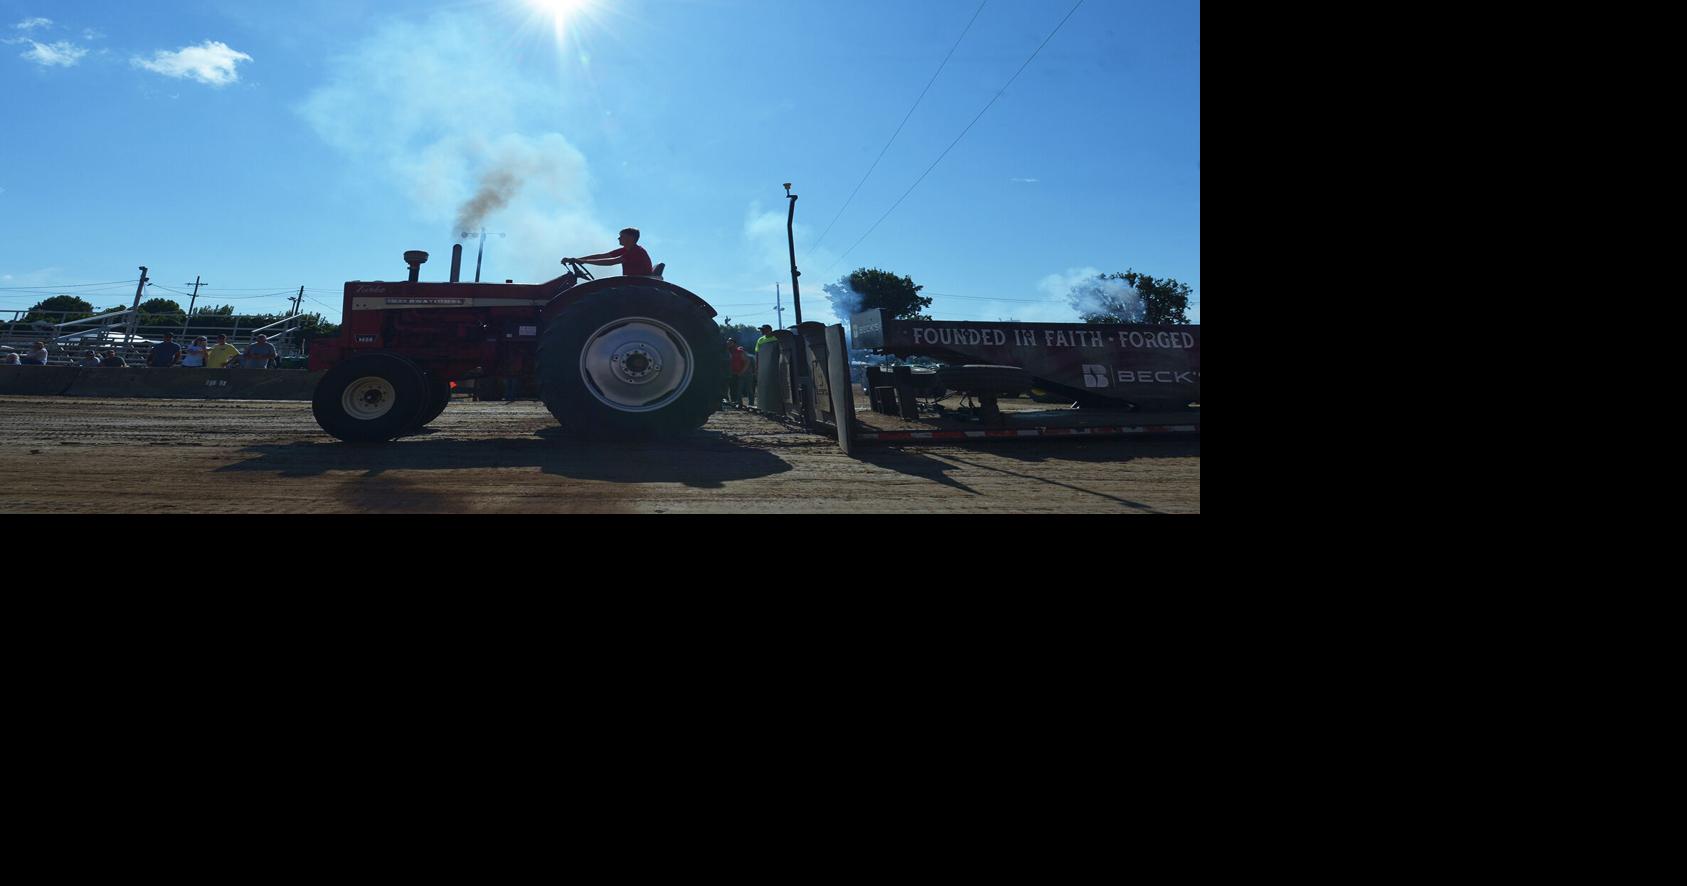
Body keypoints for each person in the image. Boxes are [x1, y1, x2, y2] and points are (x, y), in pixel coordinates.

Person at [563, 228, 663, 278]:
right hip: (630, 283)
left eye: (621, 236)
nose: (619, 238)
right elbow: (602, 256)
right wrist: (578, 259)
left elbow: (612, 261)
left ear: (631, 238)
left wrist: (583, 261)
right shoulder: (625, 249)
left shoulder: (637, 251)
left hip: (637, 285)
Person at [725, 339, 748, 405]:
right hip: (727, 374)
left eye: (730, 342)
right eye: (728, 342)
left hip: (736, 374)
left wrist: (742, 371)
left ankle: (737, 404)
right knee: (725, 390)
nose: (728, 343)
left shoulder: (739, 351)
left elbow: (747, 361)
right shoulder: (725, 351)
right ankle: (728, 404)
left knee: (736, 390)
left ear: (734, 343)